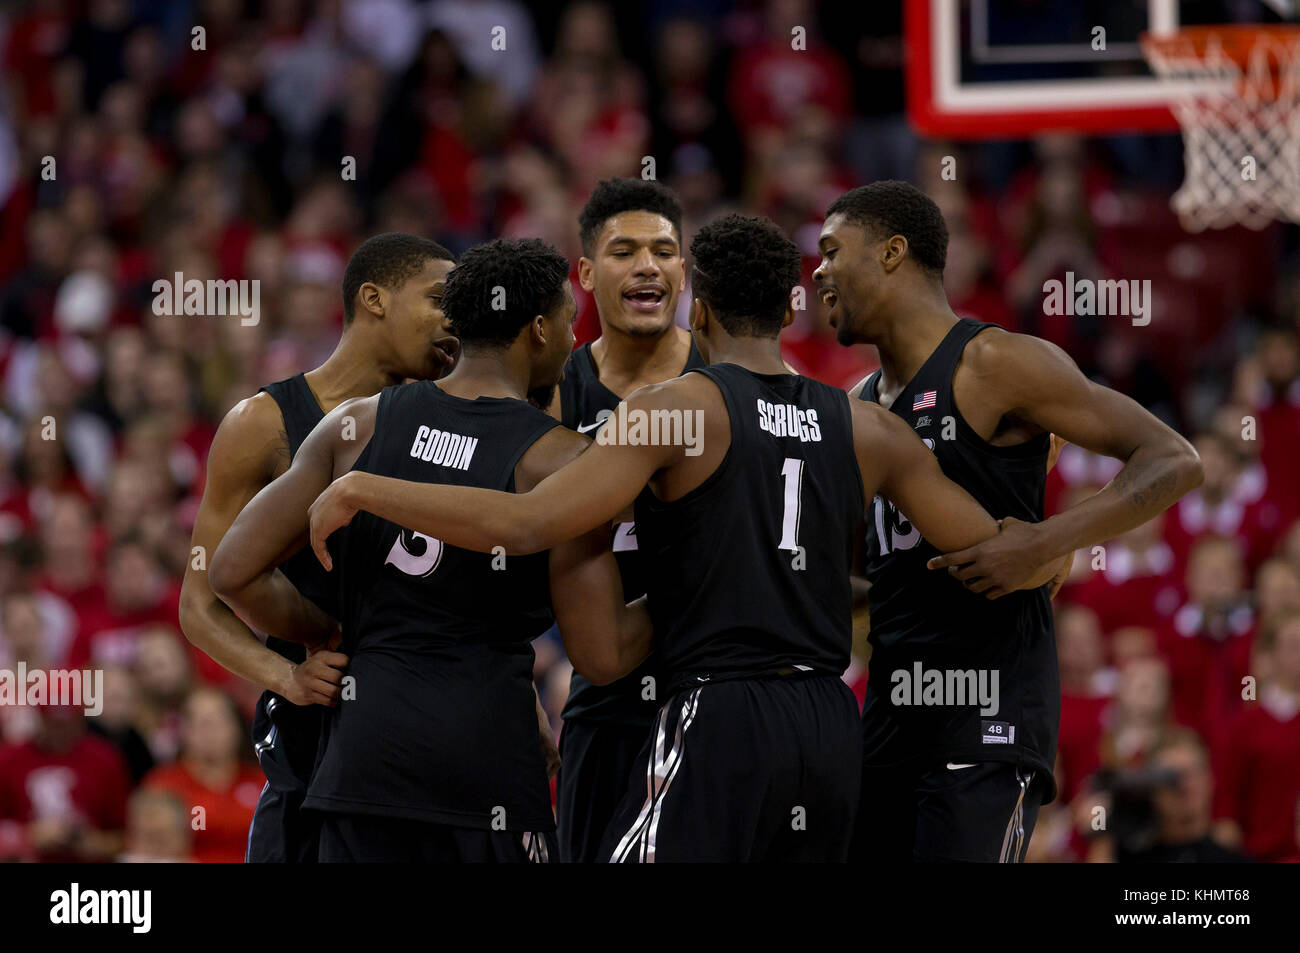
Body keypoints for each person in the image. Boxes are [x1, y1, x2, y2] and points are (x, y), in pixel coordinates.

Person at [305, 213, 1064, 862]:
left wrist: (364, 485)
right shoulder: (866, 424)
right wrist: (1055, 546)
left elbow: (527, 521)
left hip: (723, 711)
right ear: (789, 306)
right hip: (831, 724)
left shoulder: (677, 411)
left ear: (697, 312)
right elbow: (994, 549)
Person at [210, 238, 651, 863]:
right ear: (539, 330)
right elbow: (602, 655)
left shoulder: (356, 424)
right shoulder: (564, 460)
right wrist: (688, 595)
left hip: (362, 764)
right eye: (568, 325)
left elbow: (231, 572)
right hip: (485, 763)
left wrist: (331, 634)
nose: (575, 344)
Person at [814, 180, 1202, 862]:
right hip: (890, 714)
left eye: (830, 250)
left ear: (892, 254)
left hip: (987, 714)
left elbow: (1172, 458)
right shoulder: (859, 402)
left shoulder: (993, 362)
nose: (815, 271)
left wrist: (1046, 543)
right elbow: (872, 567)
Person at [178, 233, 461, 863]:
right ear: (373, 299)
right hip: (317, 736)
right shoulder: (265, 422)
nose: (454, 321)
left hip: (423, 735)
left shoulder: (456, 419)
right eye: (441, 299)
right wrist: (288, 676)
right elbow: (199, 607)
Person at [548, 177, 704, 863]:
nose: (648, 264)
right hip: (603, 700)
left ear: (684, 270)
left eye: (664, 251)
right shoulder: (553, 390)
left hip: (712, 696)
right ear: (585, 273)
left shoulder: (730, 378)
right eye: (625, 251)